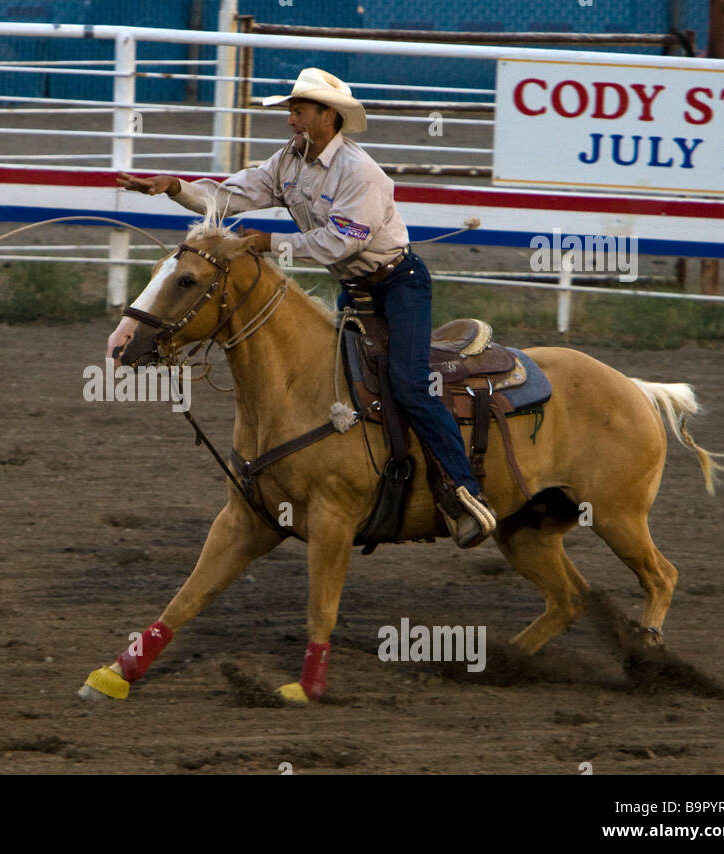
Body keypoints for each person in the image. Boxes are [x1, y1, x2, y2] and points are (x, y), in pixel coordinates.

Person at [113, 67, 498, 548]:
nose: (291, 118)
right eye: (291, 110)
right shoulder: (289, 162)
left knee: (409, 383)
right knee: (334, 378)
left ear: (328, 117)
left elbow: (339, 244)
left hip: (399, 286)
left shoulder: (362, 175)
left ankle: (463, 492)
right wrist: (175, 187)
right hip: (356, 290)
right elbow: (230, 194)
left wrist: (269, 242)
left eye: (298, 110)